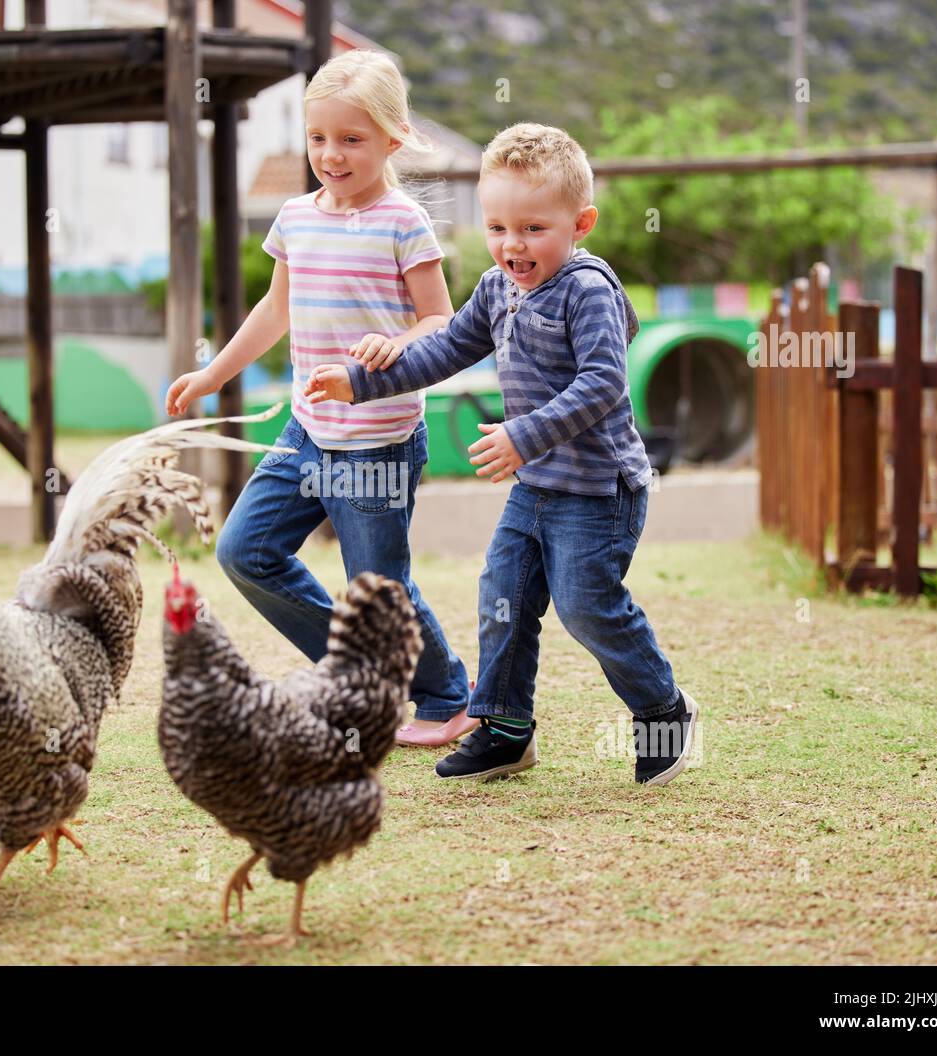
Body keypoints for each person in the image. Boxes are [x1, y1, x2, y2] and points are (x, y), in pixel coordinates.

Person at [306, 123, 698, 785]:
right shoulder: (496, 289)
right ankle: (505, 730)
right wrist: (365, 382)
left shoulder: (587, 292)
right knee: (502, 598)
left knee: (583, 603)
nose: (512, 246)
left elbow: (603, 383)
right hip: (536, 487)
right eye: (497, 228)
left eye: (533, 229)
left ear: (582, 223)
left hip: (599, 490)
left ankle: (663, 708)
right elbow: (443, 350)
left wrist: (523, 436)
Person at [166, 50, 473, 746]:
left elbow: (440, 321)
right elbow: (275, 311)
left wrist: (396, 346)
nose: (331, 155)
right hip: (304, 433)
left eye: (351, 140)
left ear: (393, 138)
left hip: (379, 438)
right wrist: (213, 374)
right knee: (245, 551)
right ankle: (353, 678)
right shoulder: (296, 218)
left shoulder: (403, 222)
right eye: (318, 139)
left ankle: (450, 696)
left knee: (378, 587)